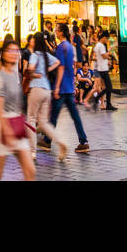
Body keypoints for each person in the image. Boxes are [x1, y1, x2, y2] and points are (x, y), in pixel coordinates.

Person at [0, 39, 35, 180]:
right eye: (11, 51)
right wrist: (7, 132)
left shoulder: (16, 75)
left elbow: (20, 99)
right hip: (4, 128)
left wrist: (28, 80)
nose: (15, 54)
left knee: (30, 171)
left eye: (17, 51)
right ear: (3, 54)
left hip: (18, 125)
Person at [48, 23, 90, 154]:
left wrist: (57, 87)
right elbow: (71, 66)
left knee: (54, 116)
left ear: (61, 32)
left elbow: (61, 67)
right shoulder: (70, 47)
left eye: (56, 30)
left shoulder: (61, 47)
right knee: (75, 116)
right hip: (69, 88)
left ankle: (46, 140)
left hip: (62, 88)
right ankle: (83, 141)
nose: (55, 31)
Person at [27, 32, 67, 160]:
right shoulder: (46, 55)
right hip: (47, 91)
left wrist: (34, 73)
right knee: (43, 123)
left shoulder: (34, 55)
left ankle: (32, 152)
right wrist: (46, 71)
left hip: (36, 89)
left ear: (36, 42)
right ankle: (61, 142)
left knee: (31, 120)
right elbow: (57, 62)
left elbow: (30, 68)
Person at [89, 30, 117, 111]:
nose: (107, 40)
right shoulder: (101, 45)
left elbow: (99, 56)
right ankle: (98, 99)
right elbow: (104, 56)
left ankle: (108, 104)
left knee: (108, 87)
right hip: (103, 69)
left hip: (101, 68)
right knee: (109, 87)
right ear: (104, 37)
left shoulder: (98, 45)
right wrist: (109, 55)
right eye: (107, 39)